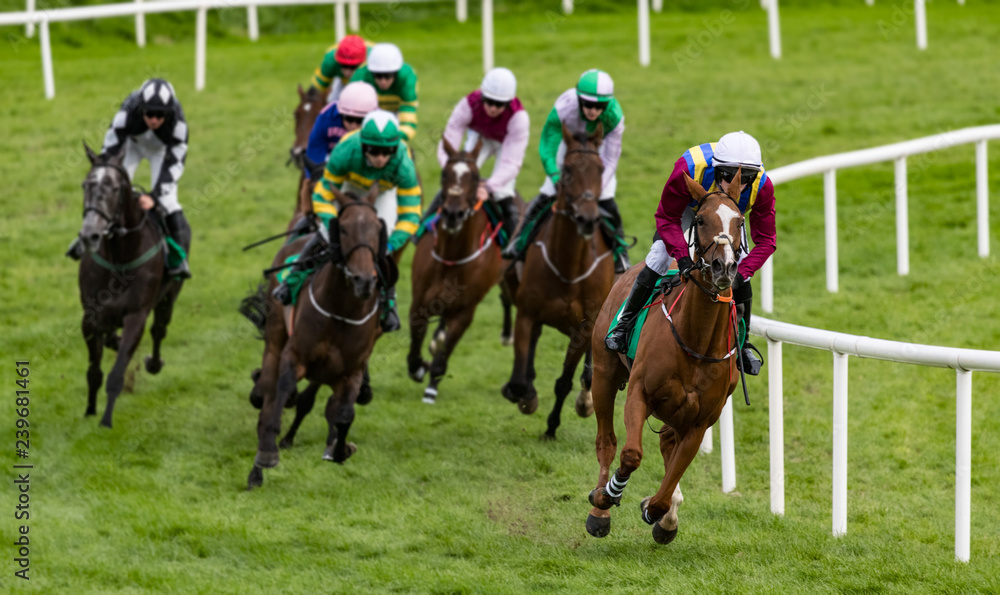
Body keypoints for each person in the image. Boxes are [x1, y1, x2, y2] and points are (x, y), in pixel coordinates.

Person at [604, 131, 776, 375]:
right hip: (689, 207)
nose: (737, 184)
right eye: (728, 176)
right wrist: (683, 258)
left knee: (741, 267)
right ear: (716, 169)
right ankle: (623, 325)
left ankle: (744, 343)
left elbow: (767, 240)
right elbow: (667, 218)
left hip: (727, 216)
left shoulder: (762, 186)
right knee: (659, 256)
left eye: (746, 177)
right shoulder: (688, 169)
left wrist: (741, 274)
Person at [272, 110, 422, 333]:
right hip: (350, 185)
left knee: (382, 247)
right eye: (374, 151)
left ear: (395, 148)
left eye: (387, 152)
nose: (380, 158)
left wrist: (389, 244)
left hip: (383, 193)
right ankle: (291, 282)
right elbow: (322, 195)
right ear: (363, 146)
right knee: (325, 234)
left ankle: (389, 303)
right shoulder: (345, 150)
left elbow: (411, 215)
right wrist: (333, 227)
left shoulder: (404, 165)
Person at [503, 69, 629, 273]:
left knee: (608, 202)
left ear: (607, 105)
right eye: (588, 104)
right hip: (568, 147)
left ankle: (621, 253)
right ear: (579, 99)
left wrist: (595, 189)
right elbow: (548, 148)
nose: (593, 111)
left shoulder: (614, 116)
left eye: (599, 107)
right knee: (546, 195)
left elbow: (610, 159)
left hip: (597, 151)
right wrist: (555, 177)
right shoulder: (564, 107)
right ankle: (519, 241)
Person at [67, 78, 191, 279]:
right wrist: (107, 172)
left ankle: (179, 259)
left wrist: (155, 196)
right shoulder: (127, 113)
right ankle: (87, 237)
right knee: (110, 189)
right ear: (141, 110)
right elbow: (111, 149)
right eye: (149, 114)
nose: (154, 120)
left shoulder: (179, 125)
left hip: (162, 150)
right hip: (131, 145)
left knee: (168, 201)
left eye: (160, 115)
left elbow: (175, 164)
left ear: (168, 114)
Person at [422, 67, 528, 243]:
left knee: (503, 192)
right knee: (457, 180)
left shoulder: (519, 118)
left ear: (509, 103)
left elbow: (512, 163)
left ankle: (516, 245)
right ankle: (421, 230)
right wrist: (450, 166)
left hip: (506, 144)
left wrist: (489, 187)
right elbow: (450, 136)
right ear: (482, 96)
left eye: (499, 104)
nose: (492, 108)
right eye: (489, 101)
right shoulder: (468, 104)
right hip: (481, 138)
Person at [304, 81, 379, 180]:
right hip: (331, 158)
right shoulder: (326, 117)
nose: (353, 126)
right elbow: (315, 154)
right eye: (349, 118)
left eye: (360, 120)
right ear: (340, 113)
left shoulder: (379, 125)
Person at [350, 43, 419, 142]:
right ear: (371, 72)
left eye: (388, 76)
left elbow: (408, 122)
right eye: (378, 75)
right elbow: (352, 117)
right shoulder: (360, 76)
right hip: (368, 110)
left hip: (396, 112)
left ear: (396, 72)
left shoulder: (407, 78)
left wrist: (393, 140)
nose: (383, 81)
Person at [309, 34, 370, 102]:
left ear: (363, 62)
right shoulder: (330, 61)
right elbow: (318, 89)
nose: (347, 72)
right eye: (344, 65)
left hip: (367, 83)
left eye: (353, 67)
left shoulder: (372, 63)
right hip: (341, 80)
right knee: (332, 101)